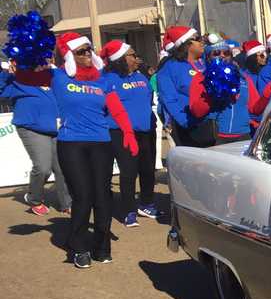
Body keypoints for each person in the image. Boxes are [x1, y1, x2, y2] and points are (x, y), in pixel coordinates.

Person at [51, 32, 138, 269]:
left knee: (102, 197)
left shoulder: (102, 79)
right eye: (81, 51)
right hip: (71, 143)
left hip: (101, 142)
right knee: (83, 196)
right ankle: (78, 247)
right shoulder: (58, 77)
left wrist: (128, 132)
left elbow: (117, 109)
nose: (87, 54)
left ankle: (101, 247)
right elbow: (27, 76)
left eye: (89, 49)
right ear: (69, 55)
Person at [1, 28, 70, 216]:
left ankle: (66, 203)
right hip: (31, 127)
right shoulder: (18, 80)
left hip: (56, 128)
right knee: (43, 166)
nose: (45, 61)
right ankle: (34, 198)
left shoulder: (53, 77)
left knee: (62, 167)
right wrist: (8, 72)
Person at [100, 40, 157, 226]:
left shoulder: (141, 77)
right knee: (129, 172)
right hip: (121, 132)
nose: (135, 57)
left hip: (145, 131)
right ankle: (128, 210)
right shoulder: (108, 79)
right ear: (120, 59)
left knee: (148, 169)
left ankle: (147, 203)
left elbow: (149, 99)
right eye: (131, 54)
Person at [189, 41, 271, 144]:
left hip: (243, 136)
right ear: (208, 58)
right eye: (216, 53)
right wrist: (212, 92)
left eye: (226, 53)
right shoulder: (201, 78)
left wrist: (266, 94)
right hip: (215, 137)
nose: (222, 56)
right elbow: (196, 112)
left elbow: (254, 110)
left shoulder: (243, 78)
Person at [157, 25, 208, 147]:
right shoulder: (170, 67)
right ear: (187, 44)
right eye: (198, 38)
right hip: (190, 127)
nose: (202, 42)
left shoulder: (204, 63)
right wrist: (185, 121)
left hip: (212, 124)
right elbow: (169, 99)